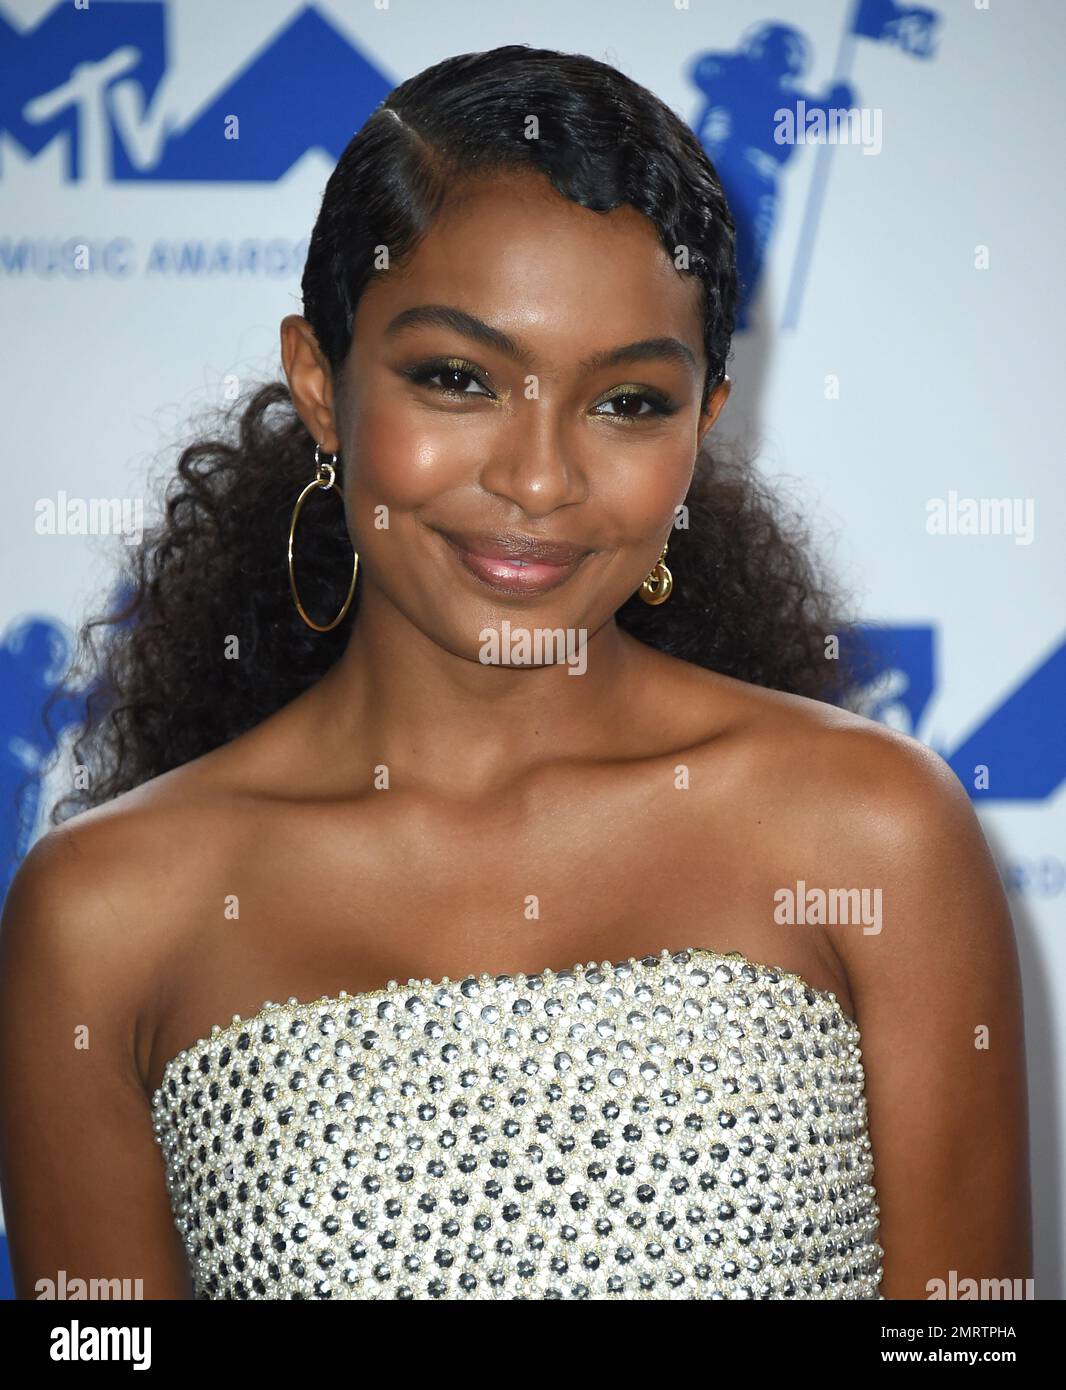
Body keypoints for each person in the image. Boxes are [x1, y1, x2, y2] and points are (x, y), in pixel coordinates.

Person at [0, 45, 1029, 1301]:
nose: (538, 480)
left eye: (628, 402)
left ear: (702, 425)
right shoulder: (105, 915)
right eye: (457, 379)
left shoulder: (874, 833)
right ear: (321, 385)